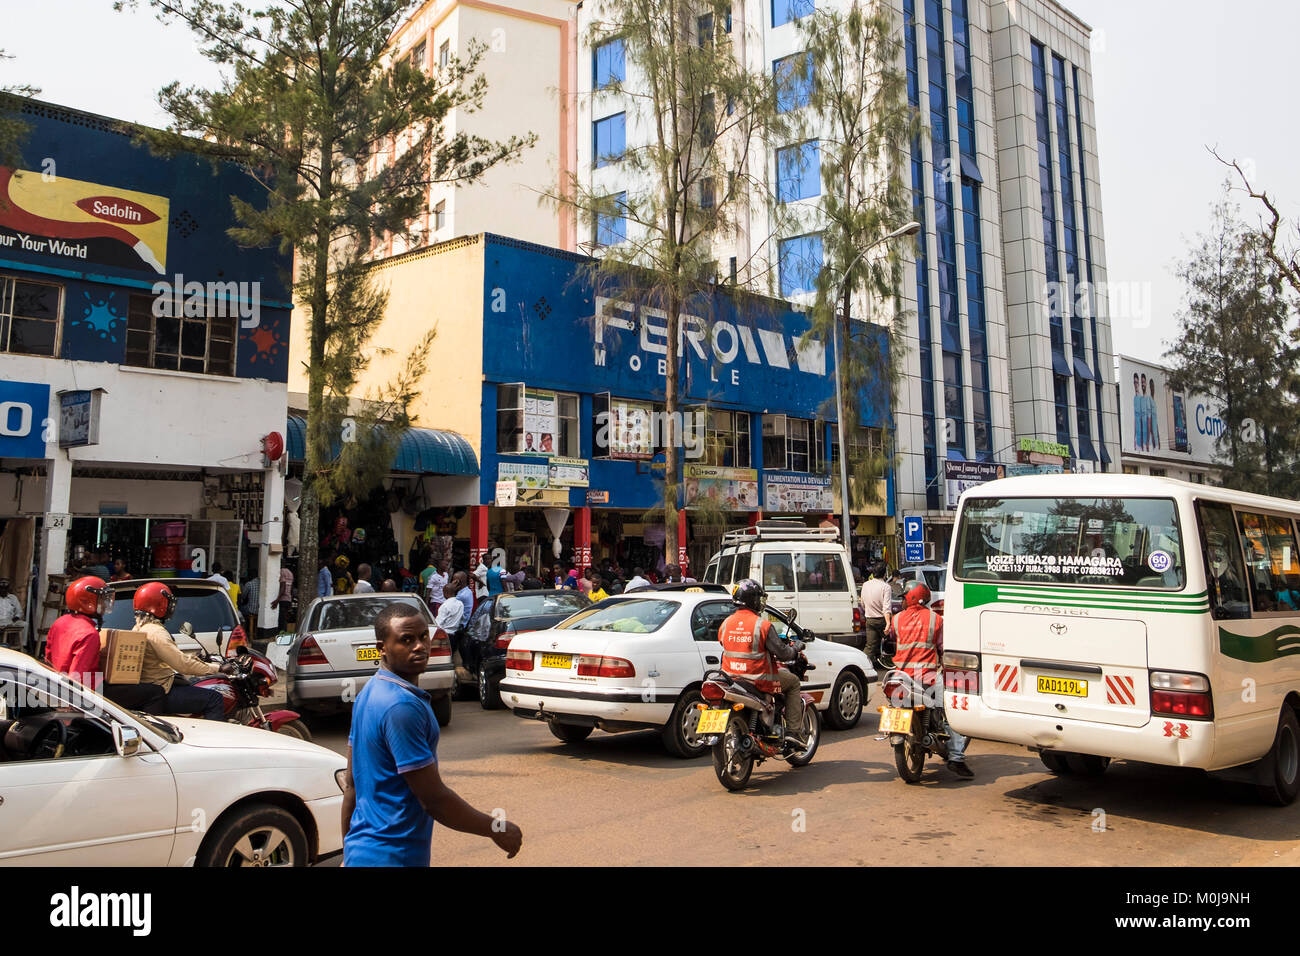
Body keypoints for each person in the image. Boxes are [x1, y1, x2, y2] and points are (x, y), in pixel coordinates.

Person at [340, 602, 524, 866]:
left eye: (423, 637)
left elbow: (352, 785)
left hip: (362, 853)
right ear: (382, 648)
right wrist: (495, 828)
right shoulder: (401, 707)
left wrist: (348, 852)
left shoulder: (369, 691)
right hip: (393, 856)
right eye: (406, 640)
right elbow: (434, 799)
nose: (419, 646)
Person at [891, 581, 971, 778]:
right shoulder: (936, 620)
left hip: (900, 677)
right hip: (927, 677)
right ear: (924, 597)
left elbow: (892, 638)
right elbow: (943, 648)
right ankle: (956, 756)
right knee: (954, 710)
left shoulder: (896, 619)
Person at [718, 579, 806, 745]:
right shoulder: (762, 625)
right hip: (758, 679)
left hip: (731, 679)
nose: (761, 602)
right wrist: (796, 648)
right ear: (753, 600)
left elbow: (725, 644)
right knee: (793, 682)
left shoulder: (726, 623)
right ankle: (794, 732)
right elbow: (783, 654)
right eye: (759, 598)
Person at [130, 582, 233, 721]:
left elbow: (170, 657)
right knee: (214, 699)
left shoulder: (139, 628)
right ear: (159, 605)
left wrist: (195, 658)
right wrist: (218, 668)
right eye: (168, 603)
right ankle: (212, 740)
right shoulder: (156, 632)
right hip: (162, 690)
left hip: (153, 687)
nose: (171, 608)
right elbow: (181, 664)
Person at [859, 561, 894, 663]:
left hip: (869, 619)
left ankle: (862, 664)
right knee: (891, 642)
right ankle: (889, 660)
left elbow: (863, 603)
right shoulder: (885, 587)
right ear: (884, 574)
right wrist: (888, 623)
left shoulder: (865, 585)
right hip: (881, 620)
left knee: (870, 646)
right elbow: (886, 607)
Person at [271, 564, 294, 632]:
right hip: (288, 599)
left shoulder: (282, 572)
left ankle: (281, 635)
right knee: (285, 620)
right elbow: (291, 589)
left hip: (283, 599)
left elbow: (283, 587)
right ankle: (284, 634)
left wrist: (277, 600)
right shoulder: (290, 573)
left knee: (281, 619)